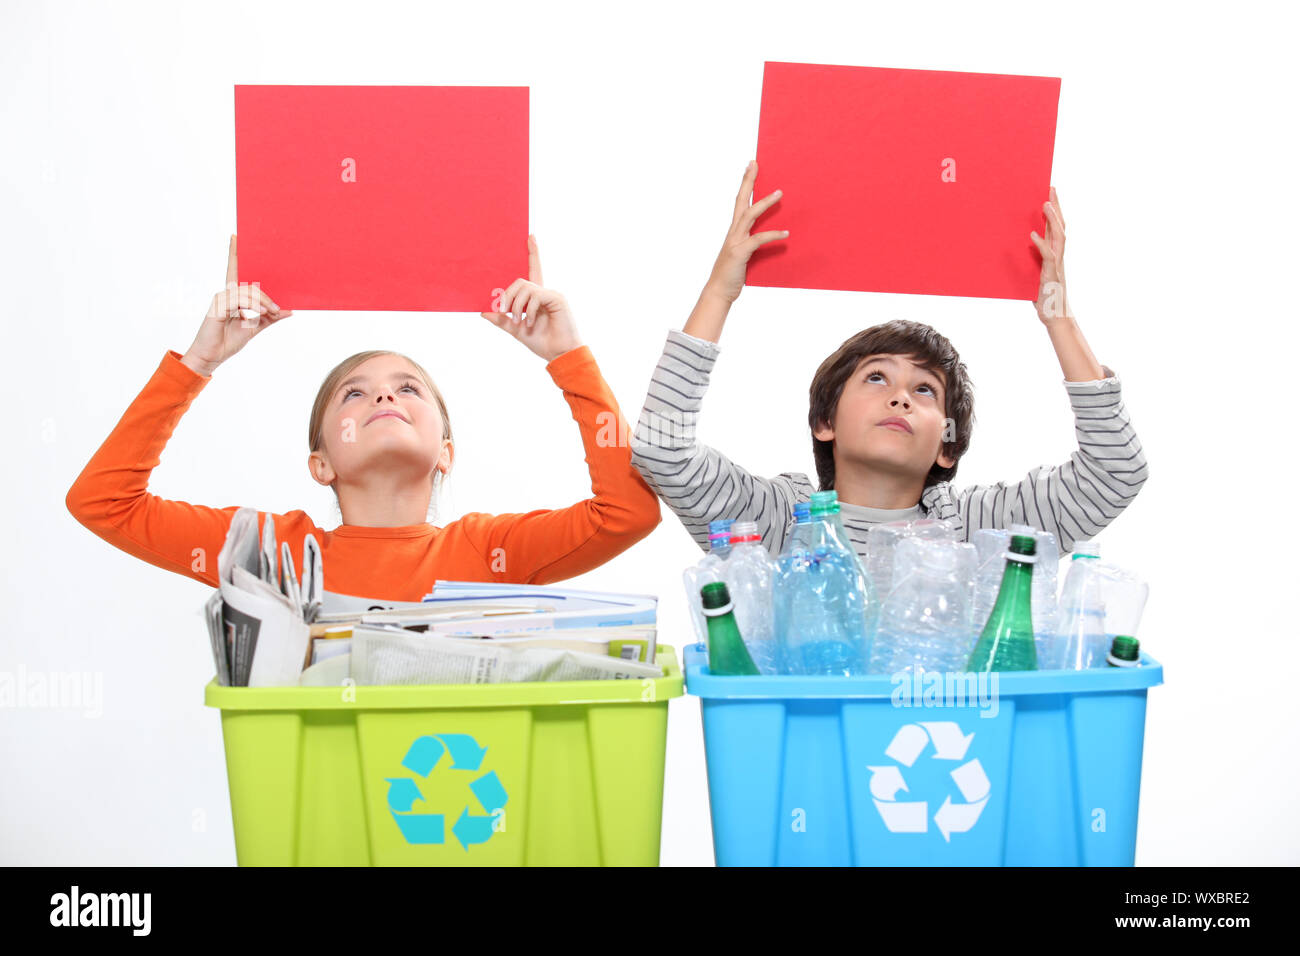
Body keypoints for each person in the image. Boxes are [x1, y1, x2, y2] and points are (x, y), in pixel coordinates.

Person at [66, 235, 660, 601]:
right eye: (354, 394)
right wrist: (199, 361)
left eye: (408, 389)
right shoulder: (275, 556)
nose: (384, 399)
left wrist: (568, 357)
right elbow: (101, 501)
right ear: (320, 463)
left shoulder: (490, 550)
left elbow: (628, 514)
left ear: (447, 451)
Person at [629, 161, 1147, 560]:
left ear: (947, 449)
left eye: (925, 390)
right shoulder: (775, 522)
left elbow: (1115, 472)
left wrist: (1058, 316)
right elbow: (660, 448)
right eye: (877, 377)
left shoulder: (977, 530)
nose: (900, 394)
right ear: (825, 421)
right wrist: (721, 290)